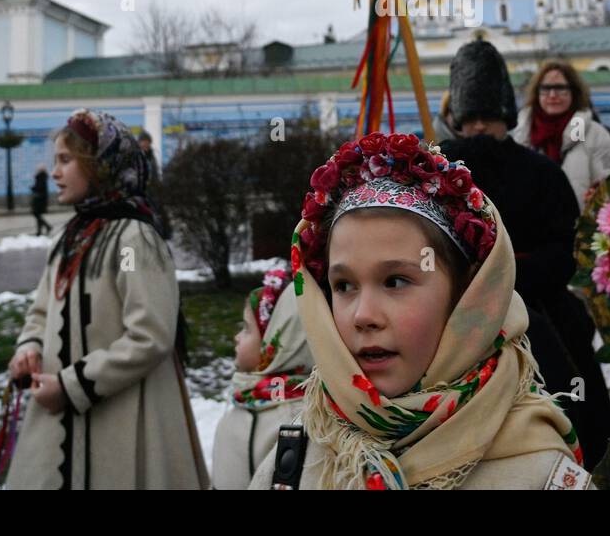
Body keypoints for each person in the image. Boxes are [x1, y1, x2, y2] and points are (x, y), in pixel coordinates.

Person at [249, 132, 590, 490]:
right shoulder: (293, 461)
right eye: (344, 286)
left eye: (395, 281)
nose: (363, 316)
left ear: (467, 296)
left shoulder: (539, 472)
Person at [4, 109, 208, 489]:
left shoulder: (134, 238)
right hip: (58, 418)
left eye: (66, 160)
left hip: (126, 418)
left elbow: (150, 335)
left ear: (99, 165)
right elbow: (42, 310)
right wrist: (29, 347)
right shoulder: (69, 236)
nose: (55, 172)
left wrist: (71, 385)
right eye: (56, 161)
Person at [439, 39, 610, 468]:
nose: (481, 129)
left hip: (536, 306)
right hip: (451, 310)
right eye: (472, 118)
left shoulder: (540, 173)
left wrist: (508, 277)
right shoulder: (436, 170)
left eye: (488, 118)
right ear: (459, 120)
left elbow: (564, 250)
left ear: (505, 116)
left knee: (575, 391)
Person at [211, 264, 313, 489]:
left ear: (278, 343)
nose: (237, 337)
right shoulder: (252, 399)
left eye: (247, 329)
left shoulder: (291, 422)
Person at [514, 59, 610, 205]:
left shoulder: (595, 134)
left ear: (574, 92)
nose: (552, 95)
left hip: (581, 225)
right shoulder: (522, 133)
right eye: (545, 88)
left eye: (560, 88)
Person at [136, 130, 171, 239]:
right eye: (143, 141)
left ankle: (160, 235)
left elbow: (155, 175)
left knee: (156, 214)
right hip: (140, 192)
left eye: (147, 142)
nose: (145, 144)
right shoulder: (136, 156)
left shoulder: (152, 157)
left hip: (152, 191)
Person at [30, 165, 50, 236]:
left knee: (36, 214)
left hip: (39, 199)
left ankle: (46, 227)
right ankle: (41, 230)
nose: (36, 169)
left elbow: (40, 187)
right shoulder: (41, 177)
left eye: (38, 169)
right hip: (40, 199)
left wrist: (33, 188)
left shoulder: (41, 177)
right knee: (37, 215)